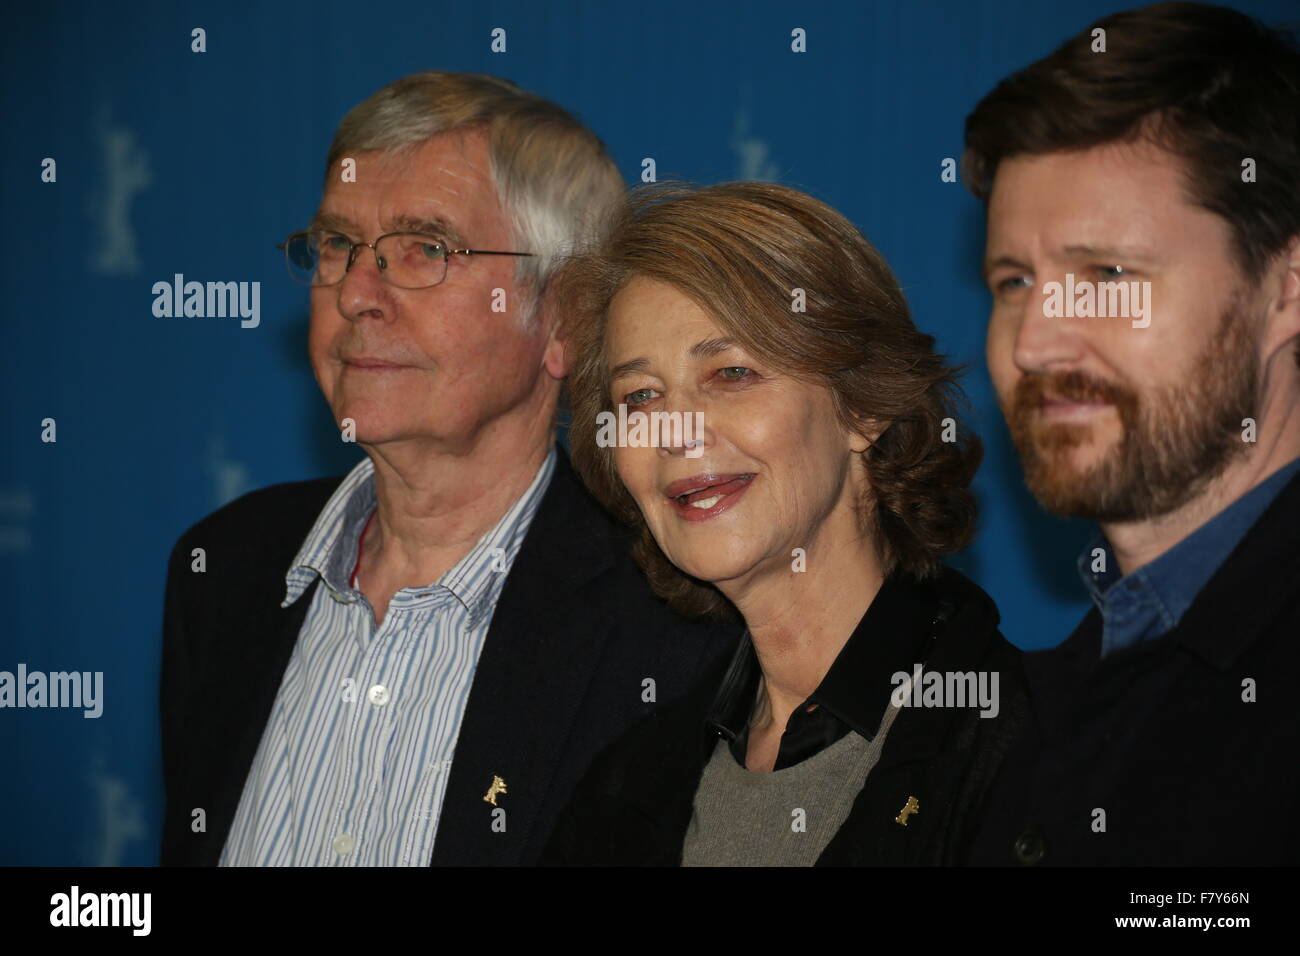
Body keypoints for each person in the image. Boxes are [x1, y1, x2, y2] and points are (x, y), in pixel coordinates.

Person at [158, 72, 739, 867]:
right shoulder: (222, 569)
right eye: (337, 245)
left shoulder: (673, 620)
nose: (358, 292)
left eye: (425, 249)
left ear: (563, 316)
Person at [541, 181, 1026, 866]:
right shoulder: (621, 789)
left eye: (732, 372)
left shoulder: (1023, 750)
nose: (676, 431)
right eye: (640, 396)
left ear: (863, 407)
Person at [961, 2, 1300, 865]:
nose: (1033, 341)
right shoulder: (1025, 721)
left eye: (1106, 274)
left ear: (1286, 290)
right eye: (1012, 281)